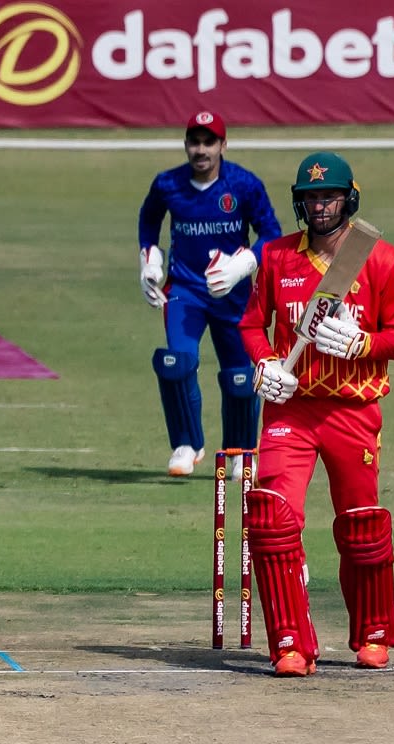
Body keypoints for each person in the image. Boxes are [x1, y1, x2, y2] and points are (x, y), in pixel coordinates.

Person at [239, 151, 394, 677]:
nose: (319, 206)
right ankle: (290, 643)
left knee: (360, 524)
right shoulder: (276, 257)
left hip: (353, 410)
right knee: (271, 518)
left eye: (329, 196)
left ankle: (374, 632)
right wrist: (265, 364)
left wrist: (363, 343)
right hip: (290, 409)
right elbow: (251, 325)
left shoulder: (380, 259)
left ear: (348, 199)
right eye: (311, 197)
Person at [138, 109, 282, 479]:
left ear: (222, 145)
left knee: (239, 376)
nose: (201, 149)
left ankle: (240, 451)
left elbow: (272, 234)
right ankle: (186, 444)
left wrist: (241, 266)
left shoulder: (244, 185)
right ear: (186, 144)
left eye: (209, 142)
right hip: (185, 290)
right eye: (194, 141)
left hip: (232, 294)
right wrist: (150, 260)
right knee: (177, 363)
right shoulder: (168, 184)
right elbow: (149, 220)